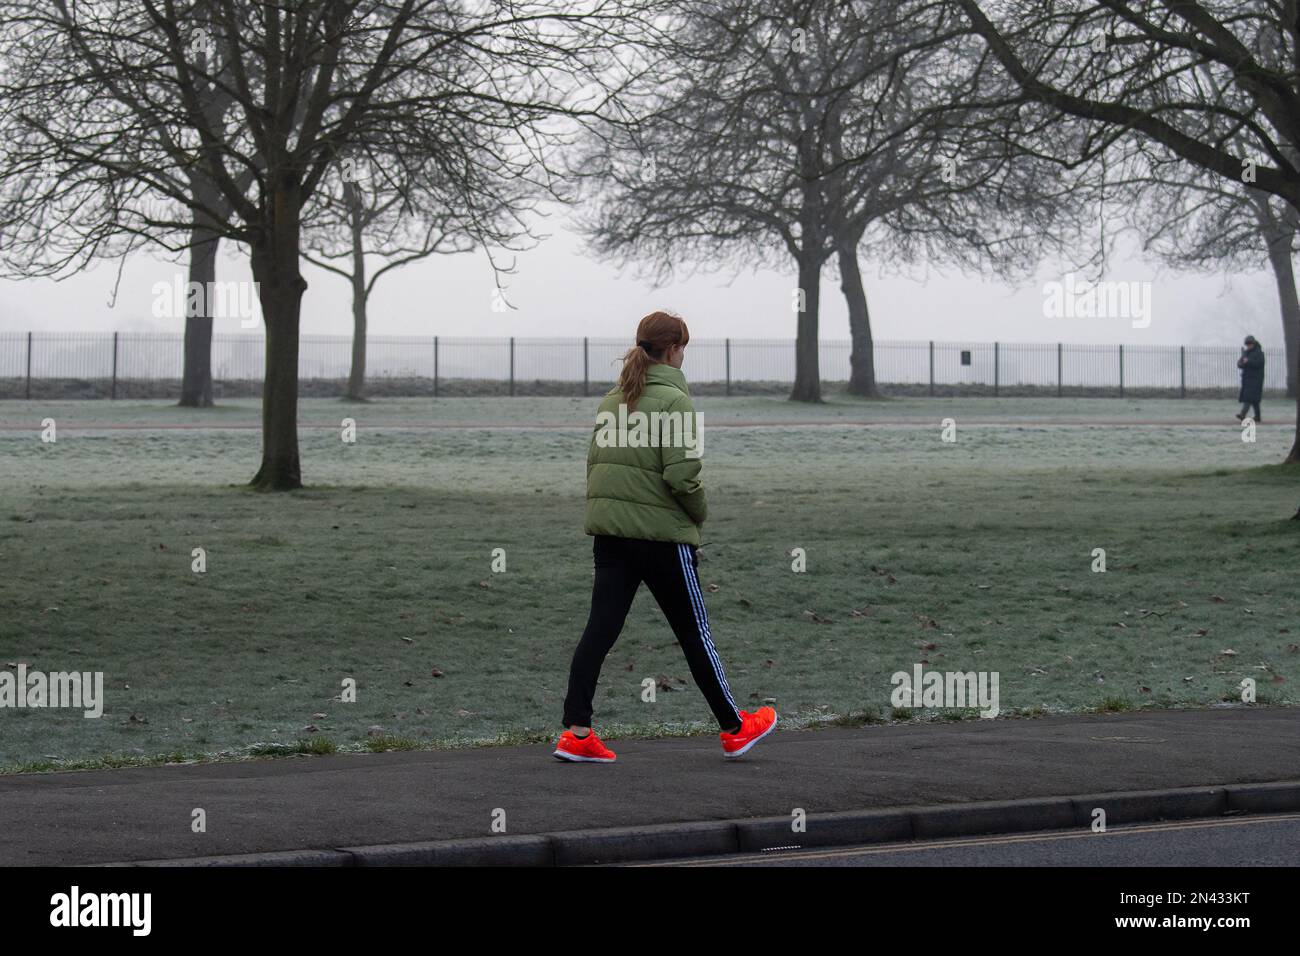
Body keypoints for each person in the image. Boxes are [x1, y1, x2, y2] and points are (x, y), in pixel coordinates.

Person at [554, 311, 777, 763]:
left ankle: (577, 733)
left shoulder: (611, 401)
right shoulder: (676, 403)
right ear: (673, 350)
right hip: (662, 539)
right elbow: (682, 478)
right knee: (695, 634)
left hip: (611, 538)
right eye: (683, 349)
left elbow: (598, 468)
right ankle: (735, 728)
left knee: (598, 632)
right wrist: (699, 514)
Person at [1236, 335, 1266, 424]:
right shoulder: (1246, 353)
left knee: (1249, 398)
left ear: (1253, 343)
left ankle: (1242, 414)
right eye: (1247, 344)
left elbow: (1259, 364)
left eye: (1250, 344)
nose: (1248, 346)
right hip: (1247, 378)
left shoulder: (1259, 353)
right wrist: (1243, 363)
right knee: (1254, 400)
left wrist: (1248, 361)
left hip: (1256, 379)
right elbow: (1239, 364)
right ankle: (1258, 416)